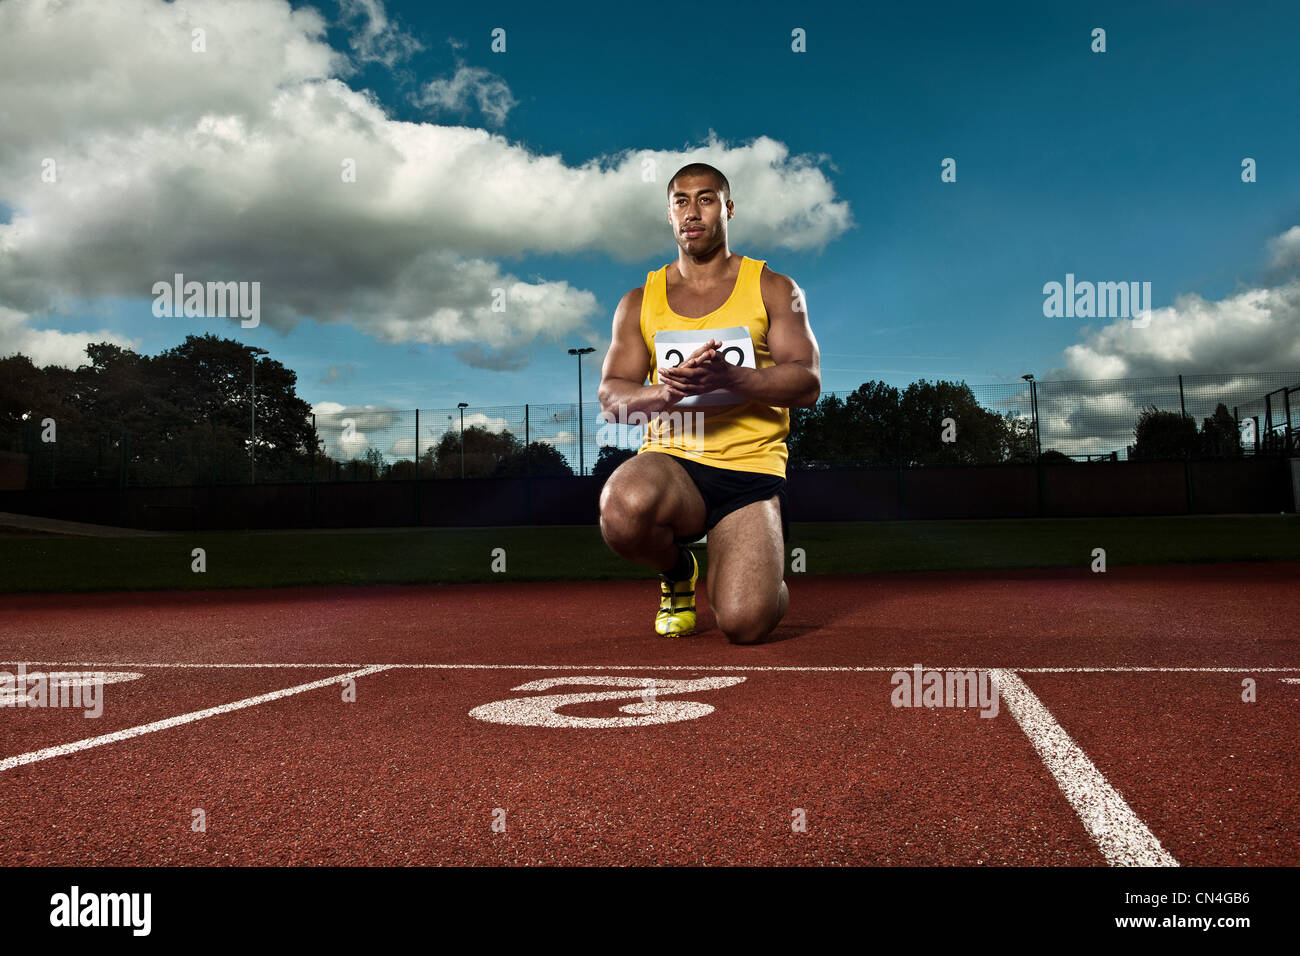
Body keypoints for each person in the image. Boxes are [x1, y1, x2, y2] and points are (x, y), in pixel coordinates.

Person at [597, 162, 821, 643]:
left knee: (744, 623)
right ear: (669, 213)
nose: (692, 211)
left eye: (706, 198)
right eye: (680, 200)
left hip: (750, 471)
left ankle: (759, 561)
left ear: (728, 208)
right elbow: (612, 398)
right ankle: (679, 571)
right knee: (620, 508)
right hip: (673, 464)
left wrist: (733, 379)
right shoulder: (639, 300)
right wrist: (665, 391)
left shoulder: (774, 287)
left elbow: (807, 382)